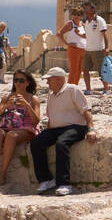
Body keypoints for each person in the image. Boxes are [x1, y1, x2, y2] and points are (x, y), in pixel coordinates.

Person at [29, 67, 97, 196]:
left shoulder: (72, 90)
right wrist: (46, 133)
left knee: (62, 143)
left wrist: (91, 129)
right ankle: (46, 179)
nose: (47, 83)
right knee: (36, 142)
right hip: (56, 129)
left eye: (50, 80)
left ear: (59, 79)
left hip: (75, 127)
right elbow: (51, 116)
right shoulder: (51, 94)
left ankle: (64, 183)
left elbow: (86, 111)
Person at [0, 69, 40, 187]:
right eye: (16, 80)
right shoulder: (7, 97)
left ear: (28, 83)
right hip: (8, 126)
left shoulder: (33, 99)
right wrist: (6, 106)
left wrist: (27, 105)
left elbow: (36, 121)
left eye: (21, 80)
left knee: (11, 136)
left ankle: (3, 173)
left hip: (27, 128)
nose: (18, 83)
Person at [80, 2, 109, 95]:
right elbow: (88, 35)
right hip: (88, 50)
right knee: (85, 70)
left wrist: (107, 48)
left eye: (87, 8)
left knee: (101, 71)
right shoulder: (86, 22)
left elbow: (105, 35)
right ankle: (88, 89)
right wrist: (78, 35)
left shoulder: (100, 20)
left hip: (98, 50)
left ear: (93, 9)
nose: (85, 11)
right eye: (84, 9)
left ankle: (106, 89)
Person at [58, 8, 88, 88]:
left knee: (79, 71)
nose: (76, 16)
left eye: (78, 14)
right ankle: (68, 88)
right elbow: (59, 34)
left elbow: (86, 36)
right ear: (72, 15)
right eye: (74, 14)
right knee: (73, 70)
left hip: (83, 49)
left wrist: (79, 34)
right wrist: (67, 44)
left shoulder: (82, 24)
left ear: (81, 16)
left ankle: (75, 87)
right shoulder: (70, 24)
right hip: (73, 50)